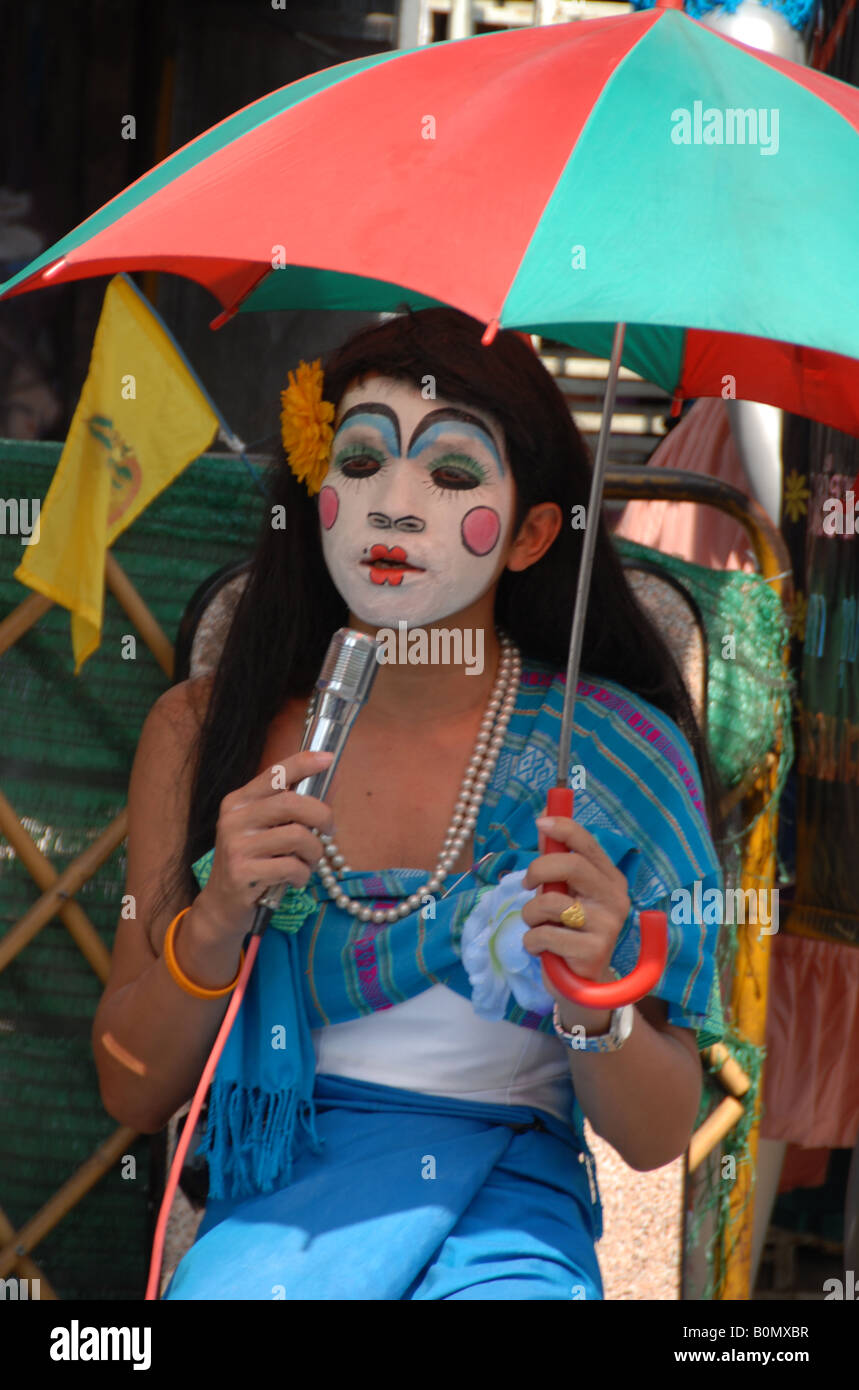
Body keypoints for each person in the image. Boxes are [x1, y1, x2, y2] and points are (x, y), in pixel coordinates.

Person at [92, 306, 725, 1301]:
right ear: (317, 495)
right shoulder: (204, 730)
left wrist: (589, 992)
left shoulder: (612, 758)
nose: (393, 502)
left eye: (452, 473)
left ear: (529, 535)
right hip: (279, 1215)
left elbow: (652, 1137)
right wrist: (215, 921)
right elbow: (131, 1085)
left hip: (514, 1226)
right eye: (360, 461)